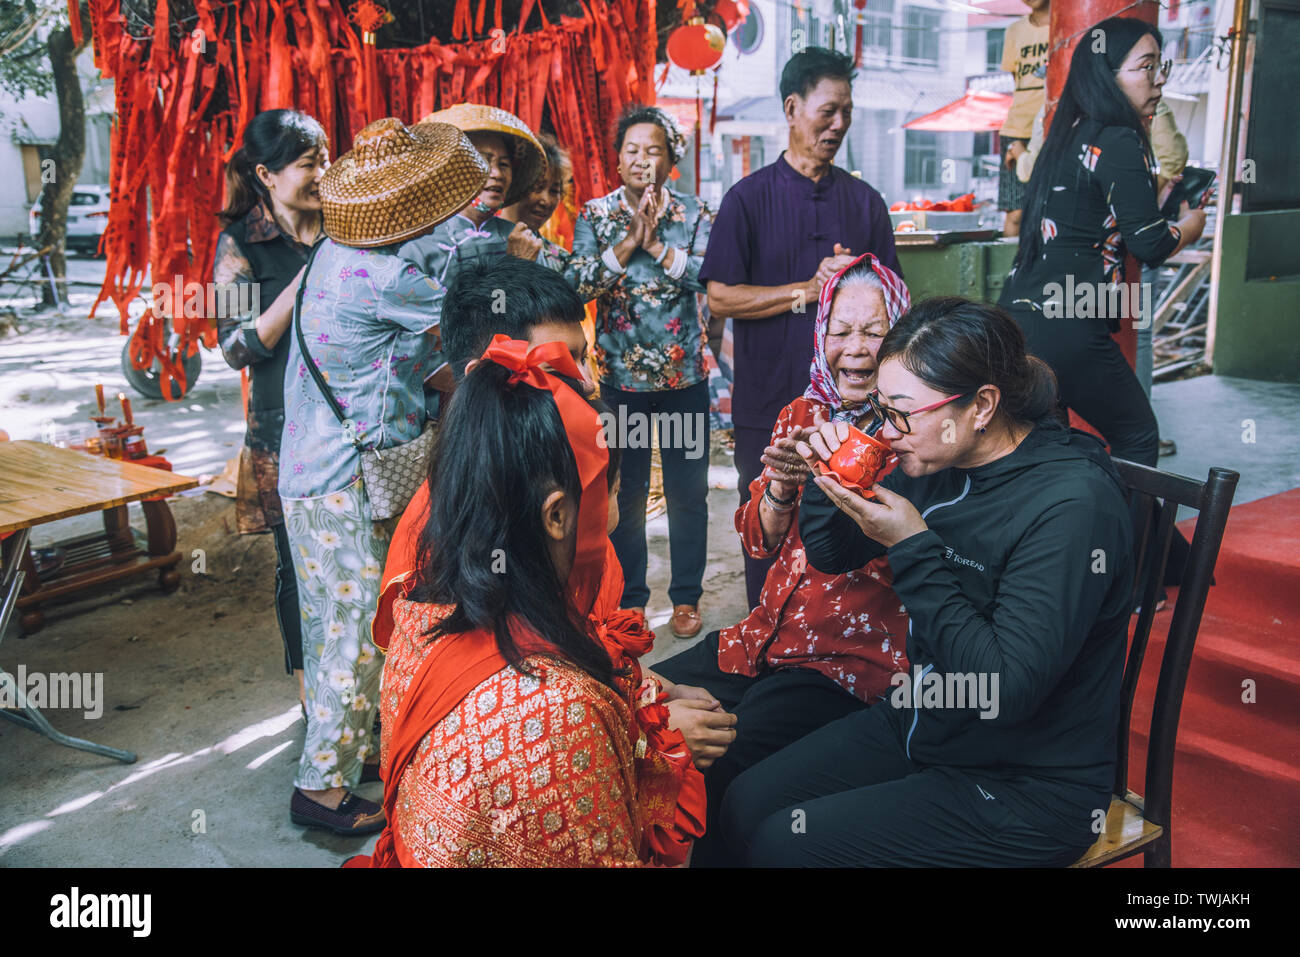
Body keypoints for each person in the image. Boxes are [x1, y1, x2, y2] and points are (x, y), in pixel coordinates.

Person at [720, 297, 1134, 867]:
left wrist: (912, 546)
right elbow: (834, 552)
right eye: (879, 409)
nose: (886, 432)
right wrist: (827, 475)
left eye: (901, 413)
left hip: (1028, 786)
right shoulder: (942, 461)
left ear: (982, 405)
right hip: (926, 719)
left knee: (784, 844)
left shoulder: (1072, 505)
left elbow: (1002, 691)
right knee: (743, 801)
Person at [357, 338, 704, 867]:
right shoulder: (560, 710)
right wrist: (656, 748)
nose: (614, 512)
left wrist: (652, 701)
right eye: (610, 490)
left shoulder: (420, 610)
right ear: (557, 515)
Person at [653, 253, 912, 866]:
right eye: (840, 330)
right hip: (760, 639)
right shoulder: (802, 415)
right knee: (644, 701)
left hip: (841, 663)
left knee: (720, 759)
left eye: (873, 331)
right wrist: (780, 489)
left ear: (898, 336)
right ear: (820, 335)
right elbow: (756, 543)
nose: (855, 347)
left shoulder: (909, 435)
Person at [279, 117, 488, 836]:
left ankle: (352, 752)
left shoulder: (333, 255)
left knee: (341, 625)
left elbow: (387, 362)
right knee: (347, 632)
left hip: (313, 471)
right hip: (339, 477)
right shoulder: (386, 276)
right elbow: (469, 322)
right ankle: (321, 788)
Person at [700, 46, 901, 611]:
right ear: (792, 108)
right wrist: (807, 292)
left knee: (851, 523)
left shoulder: (866, 203)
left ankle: (836, 646)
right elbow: (719, 295)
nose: (839, 124)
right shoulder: (747, 199)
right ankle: (768, 641)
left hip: (854, 412)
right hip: (768, 399)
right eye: (828, 110)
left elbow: (895, 303)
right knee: (765, 521)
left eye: (847, 112)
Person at [999, 16, 1206, 468]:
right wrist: (1192, 224)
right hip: (1070, 320)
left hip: (1019, 319)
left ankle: (1067, 537)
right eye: (1145, 67)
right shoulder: (1118, 138)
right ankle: (1127, 540)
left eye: (1160, 66)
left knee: (1048, 453)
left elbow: (1093, 215)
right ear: (1106, 76)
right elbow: (1150, 244)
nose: (1158, 81)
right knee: (1137, 436)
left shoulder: (1066, 136)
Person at [565, 105, 714, 639]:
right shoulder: (595, 215)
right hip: (620, 384)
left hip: (684, 381)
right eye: (631, 150)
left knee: (687, 494)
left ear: (670, 159)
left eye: (653, 150)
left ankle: (686, 597)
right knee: (624, 495)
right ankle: (630, 600)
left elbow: (709, 280)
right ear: (618, 158)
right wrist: (629, 242)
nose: (641, 160)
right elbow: (576, 286)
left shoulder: (696, 214)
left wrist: (656, 244)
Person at [213, 109, 328, 709]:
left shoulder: (346, 225)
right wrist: (296, 288)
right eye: (309, 164)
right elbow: (234, 346)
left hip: (348, 426)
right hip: (282, 433)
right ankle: (313, 698)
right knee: (297, 568)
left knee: (356, 563)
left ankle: (363, 692)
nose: (322, 174)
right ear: (266, 173)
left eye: (325, 160)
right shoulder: (239, 244)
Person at [397, 104, 548, 404]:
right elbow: (407, 338)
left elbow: (540, 316)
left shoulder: (520, 238)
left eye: (504, 164)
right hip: (445, 396)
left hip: (516, 388)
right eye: (483, 160)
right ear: (451, 169)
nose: (497, 173)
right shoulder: (420, 244)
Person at [998, 0, 1050, 238]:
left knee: (1049, 210)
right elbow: (1016, 80)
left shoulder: (1067, 26)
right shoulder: (1014, 31)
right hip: (1017, 128)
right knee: (1016, 214)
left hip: (1053, 126)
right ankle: (1012, 274)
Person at [500, 132, 571, 271]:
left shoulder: (561, 260)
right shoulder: (480, 243)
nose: (546, 200)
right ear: (514, 183)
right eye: (537, 187)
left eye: (554, 191)